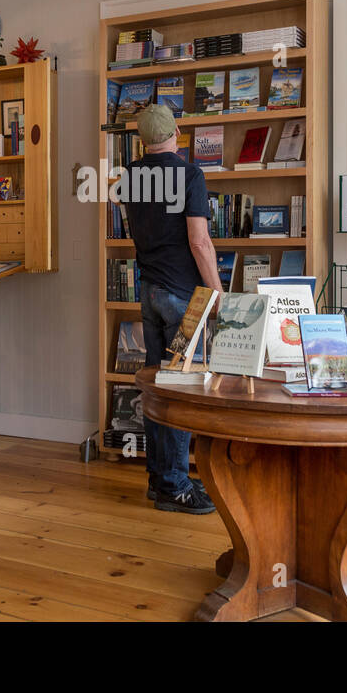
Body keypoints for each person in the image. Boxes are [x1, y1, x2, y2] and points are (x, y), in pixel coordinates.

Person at [123, 104, 223, 514]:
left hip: (149, 291)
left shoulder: (130, 176)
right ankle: (176, 486)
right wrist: (216, 291)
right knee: (180, 387)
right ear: (176, 133)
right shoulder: (189, 175)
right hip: (183, 298)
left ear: (142, 140)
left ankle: (159, 479)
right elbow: (199, 241)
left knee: (157, 387)